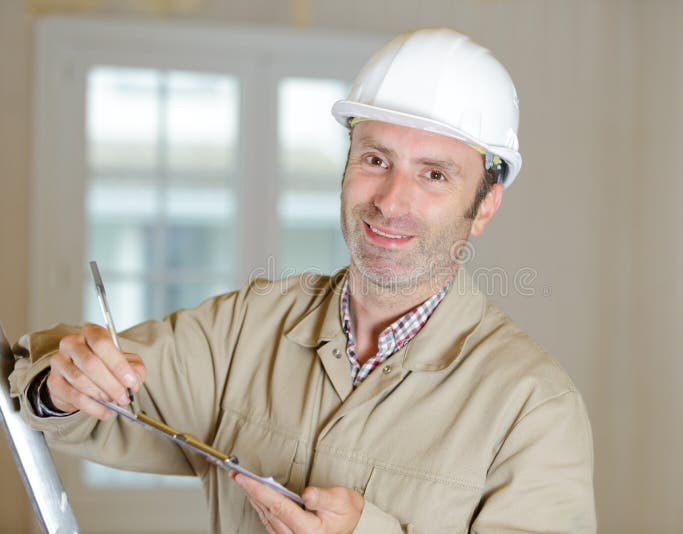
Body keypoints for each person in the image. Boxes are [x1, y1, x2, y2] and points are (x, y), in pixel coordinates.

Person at [9, 28, 596, 533]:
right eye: (375, 160)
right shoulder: (247, 328)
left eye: (434, 174)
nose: (392, 202)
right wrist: (63, 388)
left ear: (486, 204)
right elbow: (71, 392)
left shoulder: (534, 407)